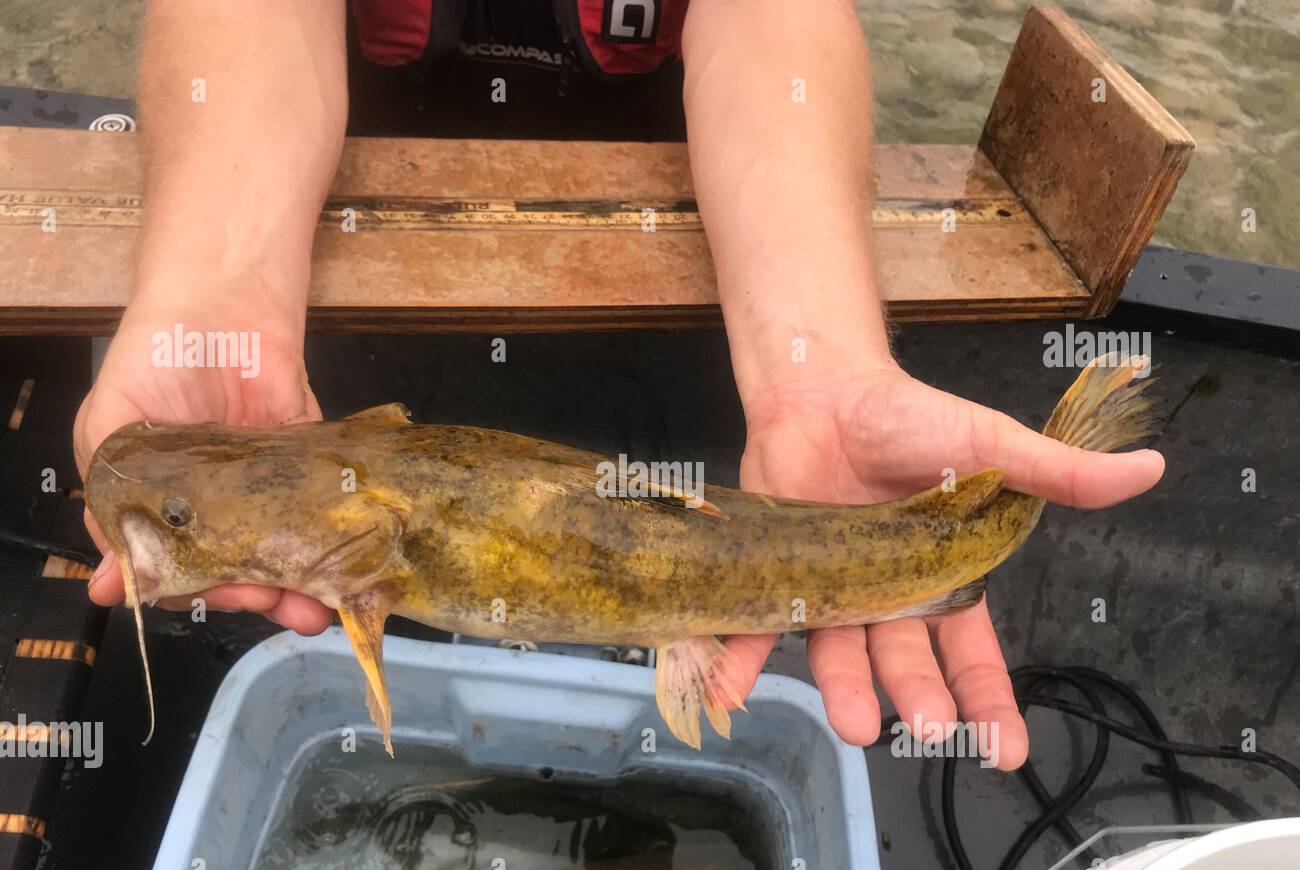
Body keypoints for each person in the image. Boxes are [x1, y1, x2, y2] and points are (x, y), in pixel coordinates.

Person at [73, 0, 1164, 771]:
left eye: (178, 512)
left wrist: (817, 363)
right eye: (179, 504)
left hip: (703, 248)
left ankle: (935, 543)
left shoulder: (340, 530)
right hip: (348, 252)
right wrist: (217, 299)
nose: (162, 514)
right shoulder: (314, 476)